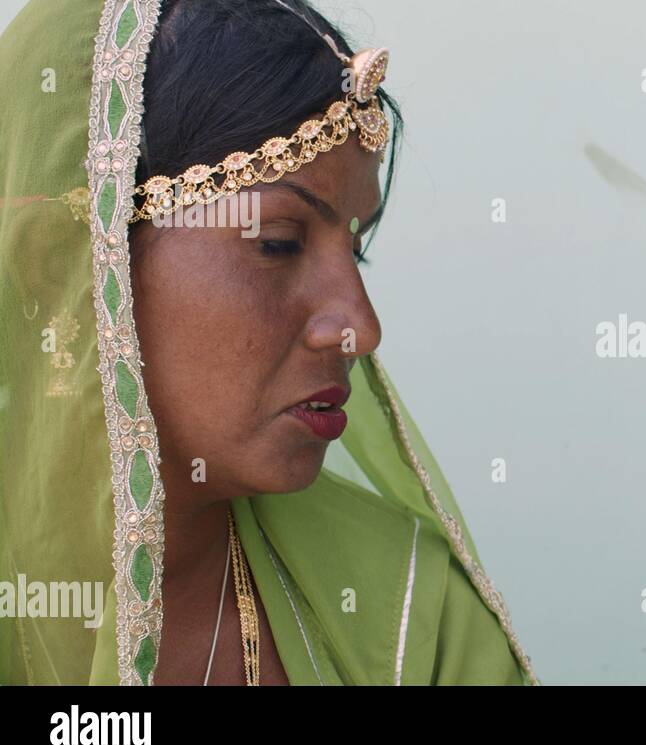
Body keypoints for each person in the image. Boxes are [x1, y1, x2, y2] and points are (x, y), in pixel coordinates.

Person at [0, 0, 537, 685]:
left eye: (357, 252)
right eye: (279, 243)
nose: (359, 328)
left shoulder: (413, 621)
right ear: (67, 262)